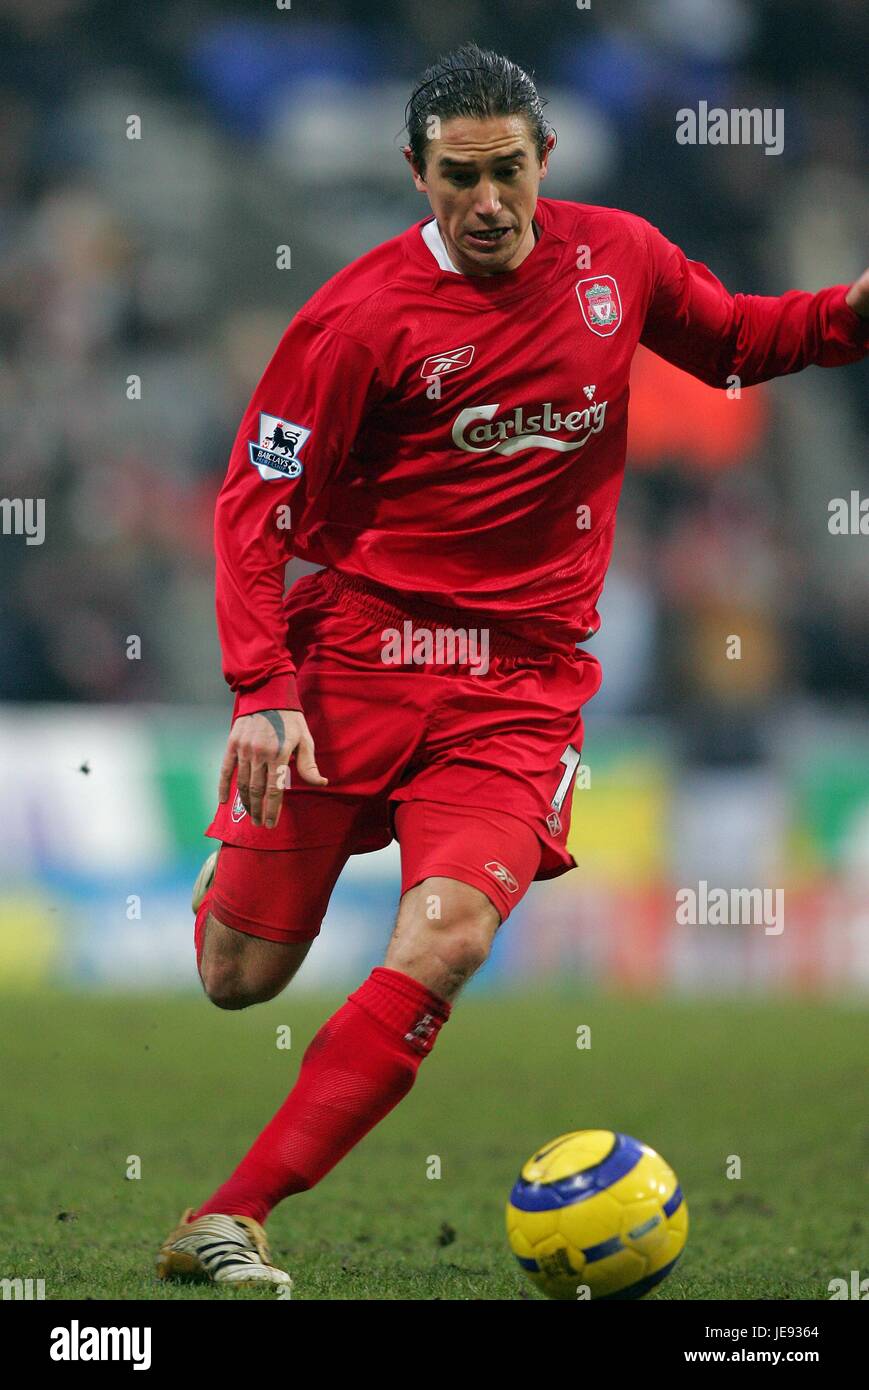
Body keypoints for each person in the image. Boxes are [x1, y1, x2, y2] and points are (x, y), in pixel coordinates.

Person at [156, 43, 868, 1286]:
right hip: (357, 665)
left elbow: (736, 345)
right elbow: (250, 505)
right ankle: (253, 880)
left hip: (518, 686)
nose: (484, 204)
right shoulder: (355, 318)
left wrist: (846, 313)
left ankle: (230, 1213)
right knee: (237, 976)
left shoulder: (619, 260)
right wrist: (263, 691)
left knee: (448, 938)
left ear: (544, 158)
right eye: (455, 178)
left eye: (504, 173)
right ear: (414, 174)